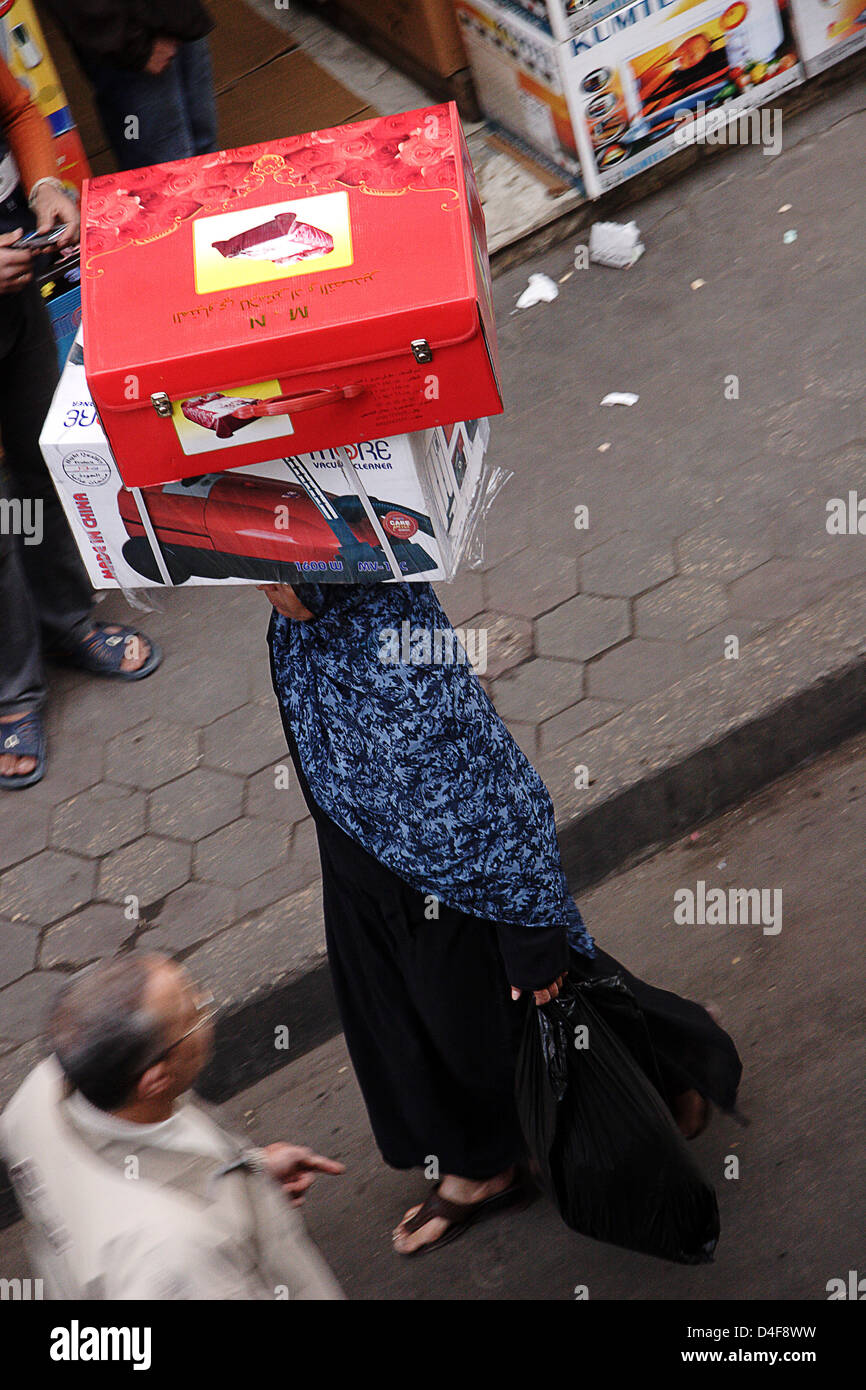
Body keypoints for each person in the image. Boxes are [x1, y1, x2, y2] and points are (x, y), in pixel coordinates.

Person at [262, 578, 743, 1256]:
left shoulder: (393, 647)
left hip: (455, 890)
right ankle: (484, 1164)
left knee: (500, 1018)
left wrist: (531, 931)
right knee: (419, 1020)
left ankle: (669, 1064)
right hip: (363, 866)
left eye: (269, 565)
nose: (259, 583)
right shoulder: (297, 627)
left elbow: (503, 799)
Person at [0, 952, 345, 1299]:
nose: (205, 1003)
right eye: (193, 1014)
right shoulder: (173, 1259)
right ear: (155, 1080)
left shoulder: (43, 1091)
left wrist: (248, 1172)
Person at [0, 54, 160, 790]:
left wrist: (43, 186)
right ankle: (12, 693)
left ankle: (68, 622)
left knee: (38, 464)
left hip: (11, 287)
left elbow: (17, 110)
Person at [39, 0, 217, 169]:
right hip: (126, 41)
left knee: (205, 151)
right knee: (164, 169)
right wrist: (132, 44)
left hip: (179, 17)